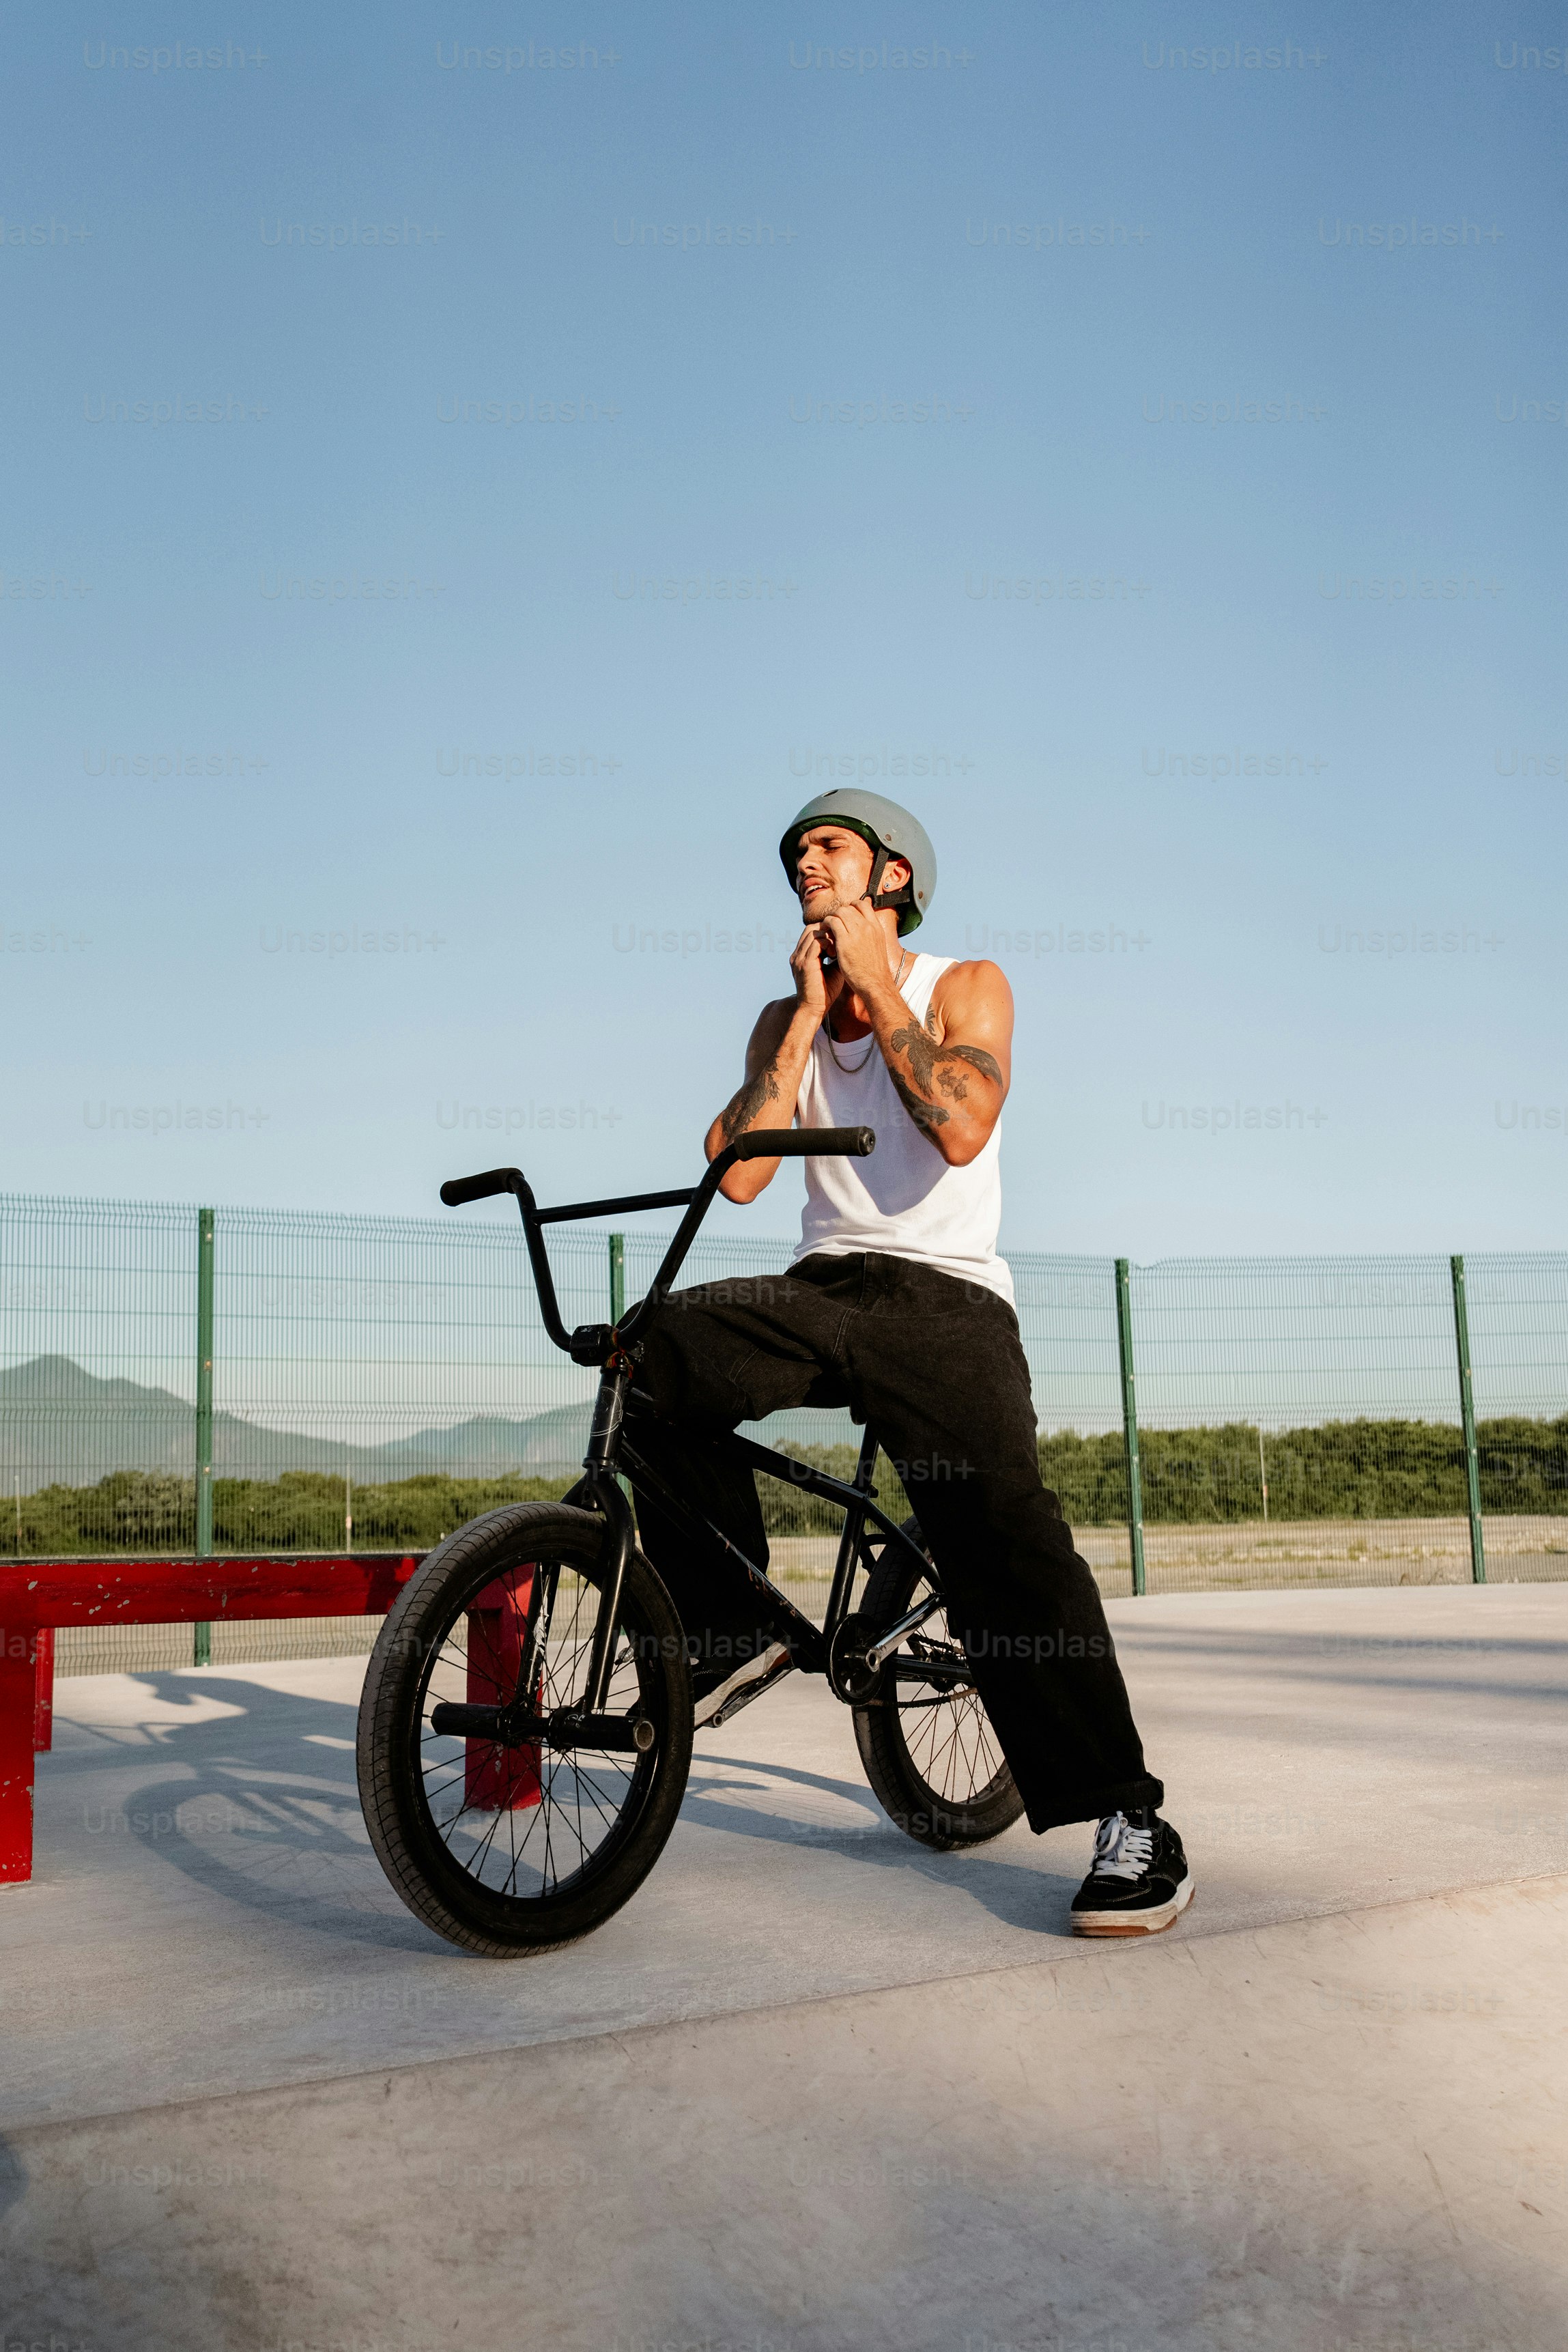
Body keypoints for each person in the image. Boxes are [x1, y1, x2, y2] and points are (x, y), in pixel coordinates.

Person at [625, 789, 1192, 1936]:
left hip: (947, 1297)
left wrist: (876, 982)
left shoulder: (965, 982)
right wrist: (803, 1016)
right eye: (793, 852)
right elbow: (737, 1177)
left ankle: (1127, 1818)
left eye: (825, 846)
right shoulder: (776, 1018)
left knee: (1006, 1536)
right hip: (824, 1286)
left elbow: (961, 1124)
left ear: (891, 873)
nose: (802, 863)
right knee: (645, 1352)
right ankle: (727, 1626)